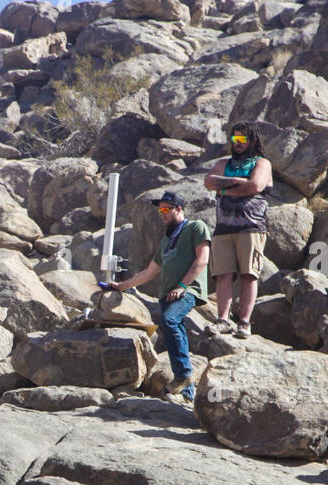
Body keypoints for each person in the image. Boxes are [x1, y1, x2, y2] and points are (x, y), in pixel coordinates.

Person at [109, 192, 211, 401]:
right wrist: (121, 286)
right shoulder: (166, 240)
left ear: (179, 209)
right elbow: (149, 273)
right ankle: (188, 393)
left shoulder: (196, 227)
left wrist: (183, 285)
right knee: (175, 330)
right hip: (167, 295)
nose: (162, 213)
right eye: (160, 210)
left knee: (169, 321)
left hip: (186, 290)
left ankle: (182, 375)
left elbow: (203, 259)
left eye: (166, 209)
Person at [203, 122, 272, 339]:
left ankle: (244, 322)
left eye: (242, 140)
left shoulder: (262, 163)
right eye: (235, 140)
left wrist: (224, 187)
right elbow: (208, 181)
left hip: (251, 227)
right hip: (223, 228)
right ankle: (223, 319)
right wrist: (235, 182)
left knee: (248, 275)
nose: (238, 144)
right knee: (222, 274)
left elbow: (255, 186)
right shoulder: (224, 163)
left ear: (252, 141)